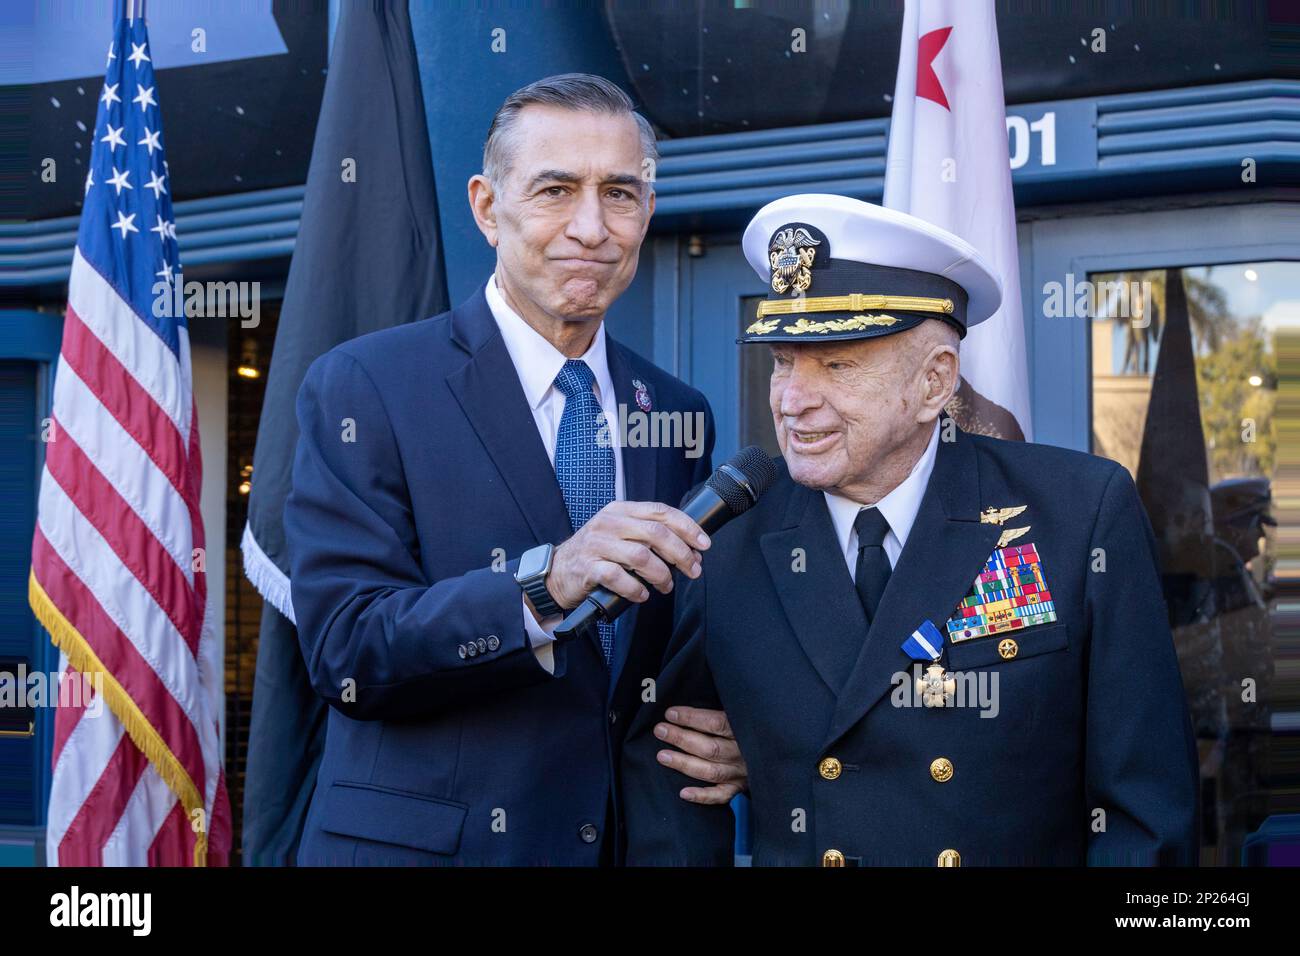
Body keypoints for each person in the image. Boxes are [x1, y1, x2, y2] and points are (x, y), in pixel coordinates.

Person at [624, 193, 1199, 866]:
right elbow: (670, 771)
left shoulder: (1077, 512)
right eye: (782, 360)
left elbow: (1145, 809)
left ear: (935, 383)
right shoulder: (728, 535)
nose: (791, 399)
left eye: (836, 364)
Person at [286, 74, 745, 865]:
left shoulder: (677, 411)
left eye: (621, 194)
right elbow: (347, 651)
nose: (592, 227)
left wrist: (744, 738)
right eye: (556, 191)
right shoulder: (365, 386)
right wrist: (545, 583)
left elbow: (670, 660)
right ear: (488, 208)